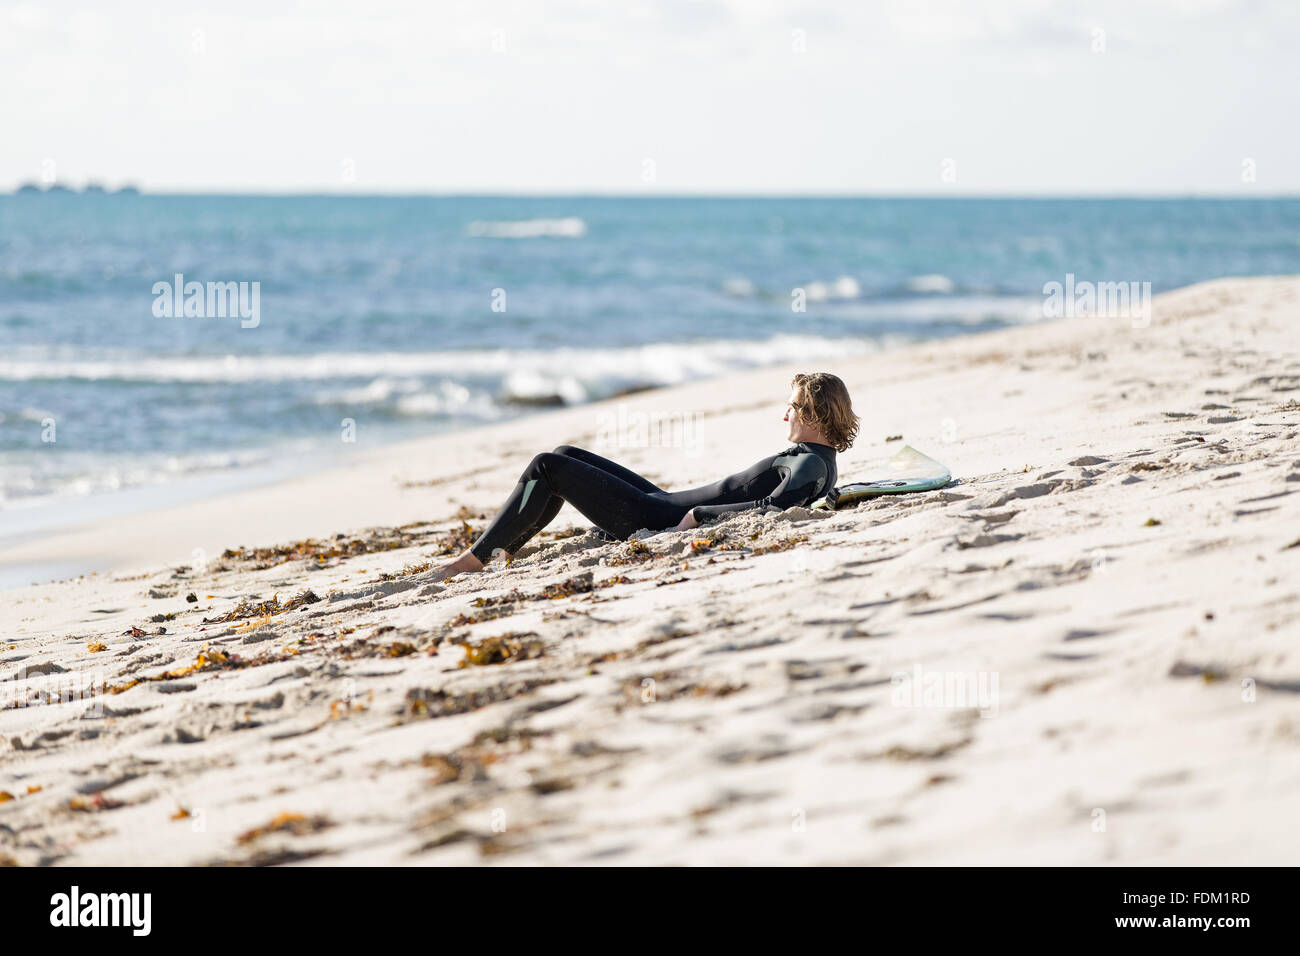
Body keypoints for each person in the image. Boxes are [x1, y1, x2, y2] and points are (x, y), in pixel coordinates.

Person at [429, 371, 859, 582]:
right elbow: (803, 498)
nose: (785, 413)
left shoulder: (810, 463)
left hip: (653, 517)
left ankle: (475, 559)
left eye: (792, 406)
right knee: (564, 455)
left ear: (814, 413)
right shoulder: (815, 460)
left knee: (547, 466)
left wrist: (701, 516)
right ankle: (503, 549)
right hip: (660, 502)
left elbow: (773, 509)